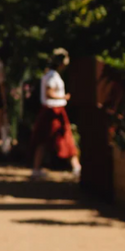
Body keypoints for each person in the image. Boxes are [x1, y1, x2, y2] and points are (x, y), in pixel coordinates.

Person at [31, 48, 81, 180]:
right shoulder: (52, 76)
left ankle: (37, 169)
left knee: (47, 140)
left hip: (52, 110)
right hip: (53, 110)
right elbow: (49, 92)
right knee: (65, 137)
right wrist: (64, 97)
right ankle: (76, 167)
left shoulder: (50, 74)